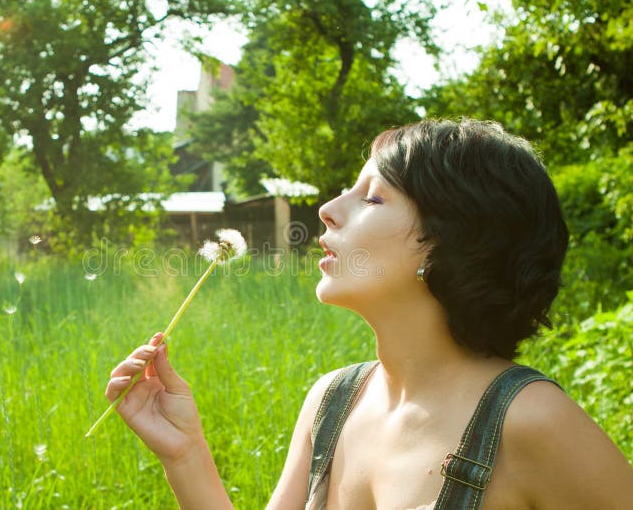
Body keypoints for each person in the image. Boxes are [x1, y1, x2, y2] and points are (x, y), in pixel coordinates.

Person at [105, 118, 633, 509]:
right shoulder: (331, 403)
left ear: (452, 244)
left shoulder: (532, 421)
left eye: (374, 198)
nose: (329, 209)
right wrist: (185, 454)